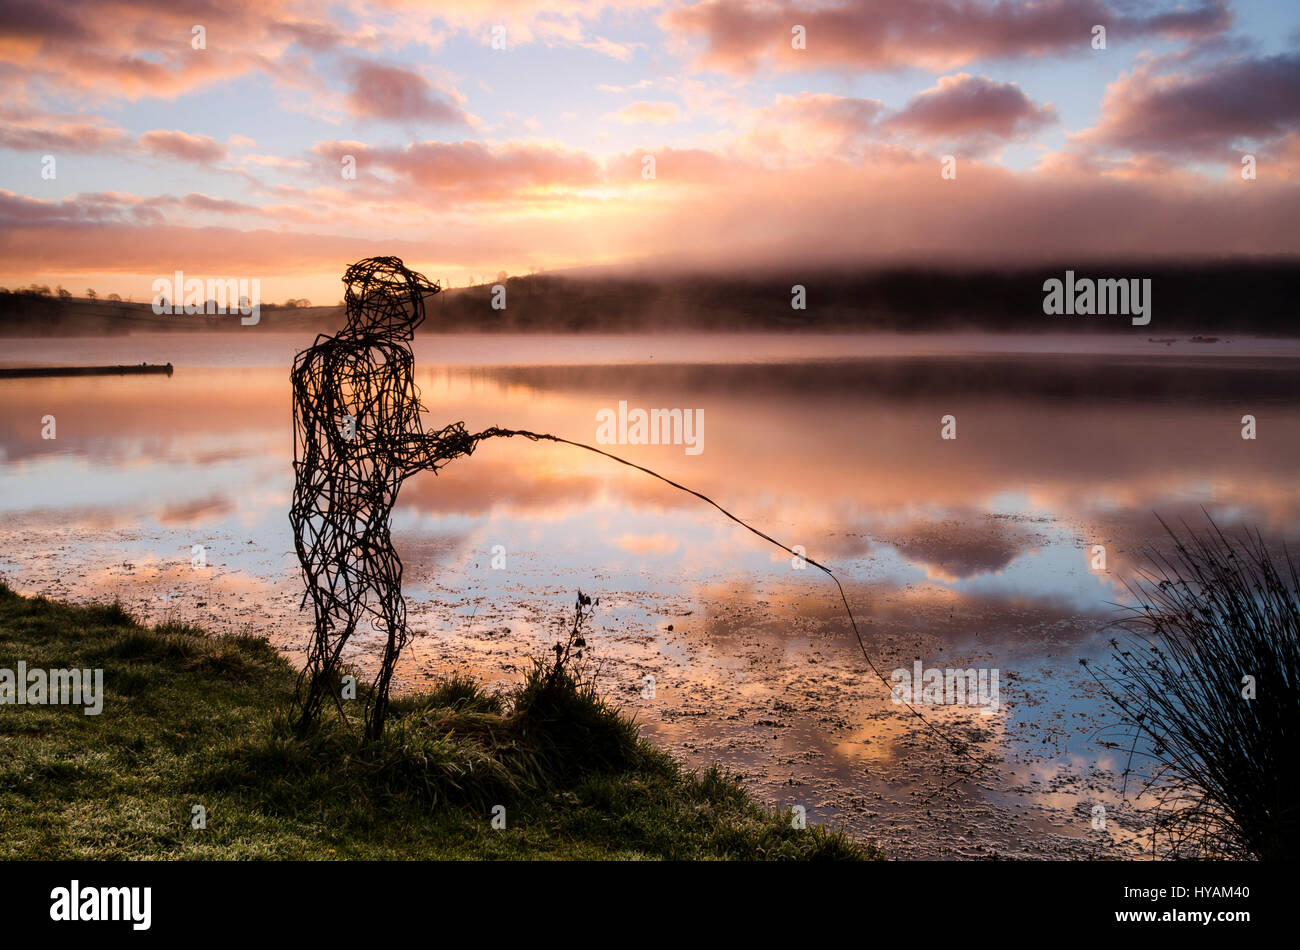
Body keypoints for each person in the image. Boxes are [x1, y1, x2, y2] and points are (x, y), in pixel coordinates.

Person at [290, 256, 484, 740]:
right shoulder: (377, 363)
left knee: (345, 617)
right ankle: (351, 730)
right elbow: (367, 446)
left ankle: (325, 724)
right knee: (369, 619)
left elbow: (377, 442)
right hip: (335, 514)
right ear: (372, 303)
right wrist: (446, 447)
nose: (411, 313)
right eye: (403, 303)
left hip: (328, 511)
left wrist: (440, 445)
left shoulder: (319, 360)